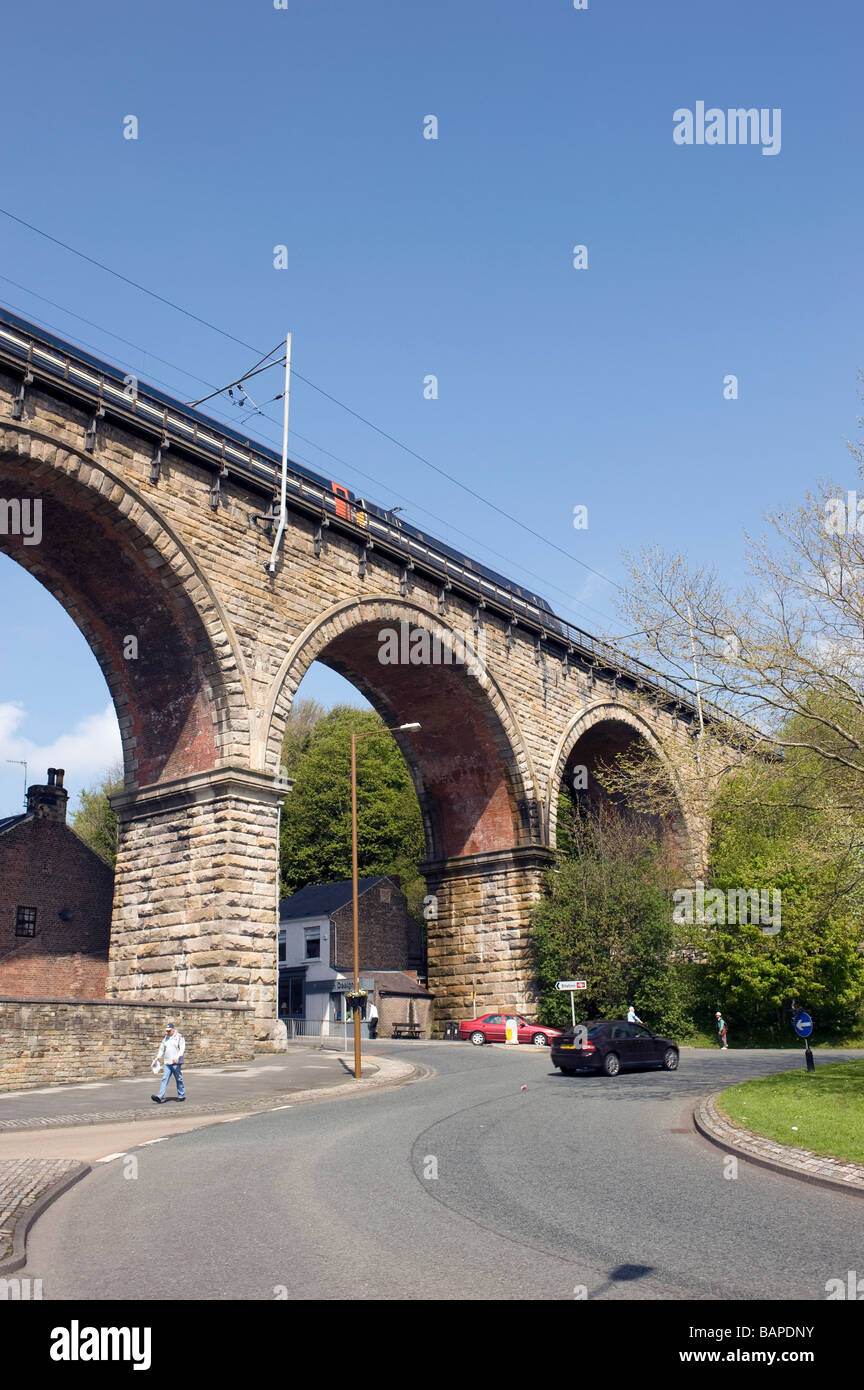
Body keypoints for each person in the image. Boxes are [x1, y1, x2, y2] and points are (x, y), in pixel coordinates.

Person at [151, 1020, 186, 1103]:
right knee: (165, 1078)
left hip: (176, 1062)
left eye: (169, 1030)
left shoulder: (179, 1037)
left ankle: (181, 1095)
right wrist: (158, 1057)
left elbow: (182, 1048)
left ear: (173, 1029)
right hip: (167, 1062)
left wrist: (177, 1057)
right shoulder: (165, 1038)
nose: (168, 1032)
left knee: (178, 1079)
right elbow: (162, 1049)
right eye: (167, 1031)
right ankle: (159, 1096)